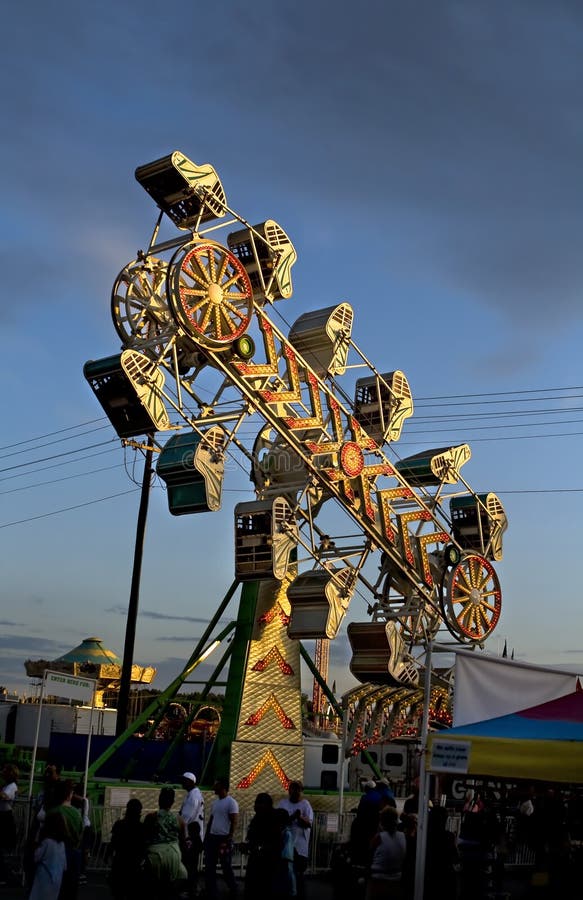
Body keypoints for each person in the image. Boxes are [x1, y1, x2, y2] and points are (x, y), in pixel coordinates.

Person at [143, 787, 187, 899]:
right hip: (174, 855)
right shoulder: (180, 820)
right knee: (181, 877)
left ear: (159, 799)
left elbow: (144, 838)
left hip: (154, 856)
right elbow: (183, 842)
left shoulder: (151, 817)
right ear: (173, 802)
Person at [45, 779, 83, 900]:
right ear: (69, 795)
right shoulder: (77, 814)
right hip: (71, 854)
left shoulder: (51, 812)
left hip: (53, 855)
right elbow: (80, 835)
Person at [277, 780, 313, 900]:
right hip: (285, 845)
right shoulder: (283, 803)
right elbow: (279, 821)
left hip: (300, 847)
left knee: (298, 873)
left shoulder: (305, 805)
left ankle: (299, 894)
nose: (295, 791)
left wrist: (299, 817)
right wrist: (292, 817)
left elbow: (309, 823)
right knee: (286, 872)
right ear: (289, 790)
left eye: (298, 789)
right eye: (293, 788)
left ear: (301, 791)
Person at [204, 777, 239, 900]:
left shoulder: (231, 802)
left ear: (223, 787)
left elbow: (234, 821)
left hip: (224, 839)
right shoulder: (215, 803)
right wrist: (207, 836)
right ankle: (211, 890)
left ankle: (233, 888)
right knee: (210, 865)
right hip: (212, 838)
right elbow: (211, 820)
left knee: (226, 866)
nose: (214, 787)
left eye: (216, 785)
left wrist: (229, 837)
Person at [108, 798, 145, 900]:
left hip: (120, 863)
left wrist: (108, 857)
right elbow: (144, 848)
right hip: (135, 866)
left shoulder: (119, 824)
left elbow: (113, 843)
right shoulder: (141, 828)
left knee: (118, 894)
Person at [366, 806, 406, 900]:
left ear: (382, 821)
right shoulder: (402, 836)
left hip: (378, 881)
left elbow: (369, 857)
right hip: (397, 882)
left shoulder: (379, 837)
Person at [242, 792, 276, 900]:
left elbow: (275, 843)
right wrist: (248, 846)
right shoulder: (257, 819)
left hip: (267, 863)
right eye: (256, 803)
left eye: (259, 803)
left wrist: (259, 847)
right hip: (255, 860)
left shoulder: (272, 820)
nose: (256, 806)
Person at [28, 812, 67, 900]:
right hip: (57, 880)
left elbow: (36, 857)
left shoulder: (47, 842)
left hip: (43, 878)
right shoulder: (62, 844)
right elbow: (64, 865)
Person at [179, 772, 205, 899]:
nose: (182, 782)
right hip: (194, 836)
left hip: (190, 836)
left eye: (184, 780)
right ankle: (192, 888)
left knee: (188, 864)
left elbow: (185, 818)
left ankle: (190, 889)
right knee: (191, 865)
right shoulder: (195, 794)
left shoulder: (193, 797)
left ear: (190, 782)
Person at [0, 763, 18, 886]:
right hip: (3, 816)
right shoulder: (6, 785)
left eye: (5, 771)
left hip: (5, 818)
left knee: (3, 848)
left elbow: (5, 797)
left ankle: (4, 875)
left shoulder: (12, 786)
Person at [272, 807, 296, 899]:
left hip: (285, 859)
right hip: (284, 859)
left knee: (288, 875)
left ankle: (291, 892)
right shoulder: (282, 832)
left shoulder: (286, 833)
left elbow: (285, 849)